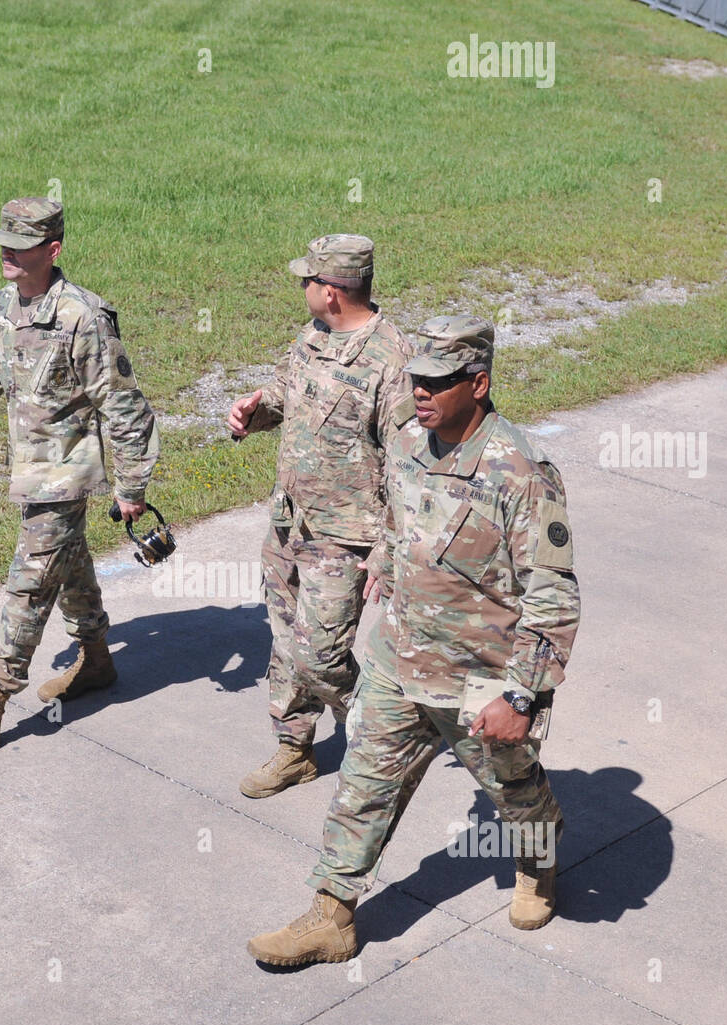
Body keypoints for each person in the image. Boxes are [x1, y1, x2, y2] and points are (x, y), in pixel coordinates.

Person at [247, 315, 581, 964]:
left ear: (478, 384)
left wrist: (521, 696)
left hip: (483, 675)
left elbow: (554, 595)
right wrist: (382, 557)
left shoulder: (523, 470)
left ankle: (538, 858)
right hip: (398, 657)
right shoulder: (406, 442)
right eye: (416, 379)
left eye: (437, 381)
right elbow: (399, 516)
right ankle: (332, 914)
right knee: (362, 786)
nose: (420, 391)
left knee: (513, 790)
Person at [0, 197, 158, 752]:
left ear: (52, 250)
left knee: (30, 581)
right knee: (67, 562)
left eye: (22, 246)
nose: (8, 252)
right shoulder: (5, 305)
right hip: (31, 469)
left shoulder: (82, 317)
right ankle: (97, 660)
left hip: (67, 472)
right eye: (4, 242)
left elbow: (125, 407)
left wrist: (131, 487)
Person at [227, 234, 414, 799]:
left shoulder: (392, 359)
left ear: (331, 292)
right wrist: (254, 411)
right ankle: (294, 750)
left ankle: (384, 733)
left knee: (320, 652)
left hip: (348, 536)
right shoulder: (314, 336)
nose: (302, 288)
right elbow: (285, 396)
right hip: (290, 521)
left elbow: (409, 466)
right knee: (286, 642)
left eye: (307, 280)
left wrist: (388, 551)